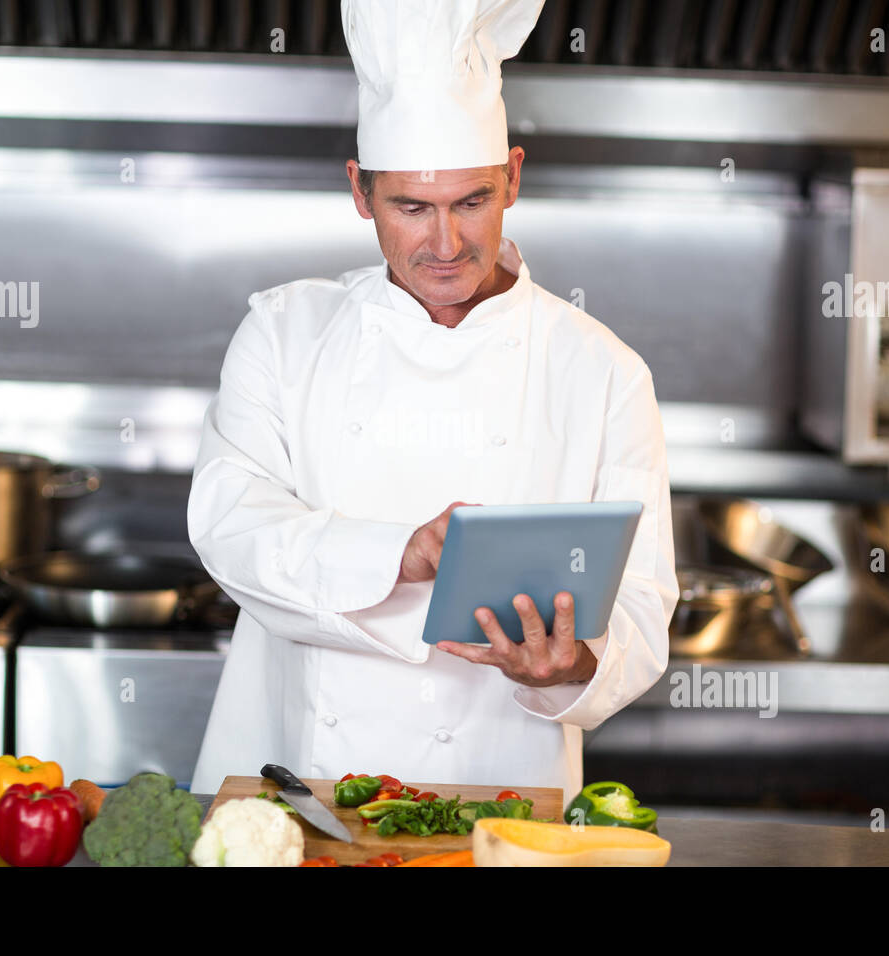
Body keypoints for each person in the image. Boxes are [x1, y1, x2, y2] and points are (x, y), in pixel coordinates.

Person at [188, 0, 678, 800]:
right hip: (301, 788)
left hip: (499, 790)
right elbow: (229, 526)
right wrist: (398, 557)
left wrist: (576, 663)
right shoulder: (284, 334)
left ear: (513, 176)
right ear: (359, 191)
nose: (446, 245)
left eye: (472, 202)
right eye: (412, 208)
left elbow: (642, 602)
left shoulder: (602, 371)